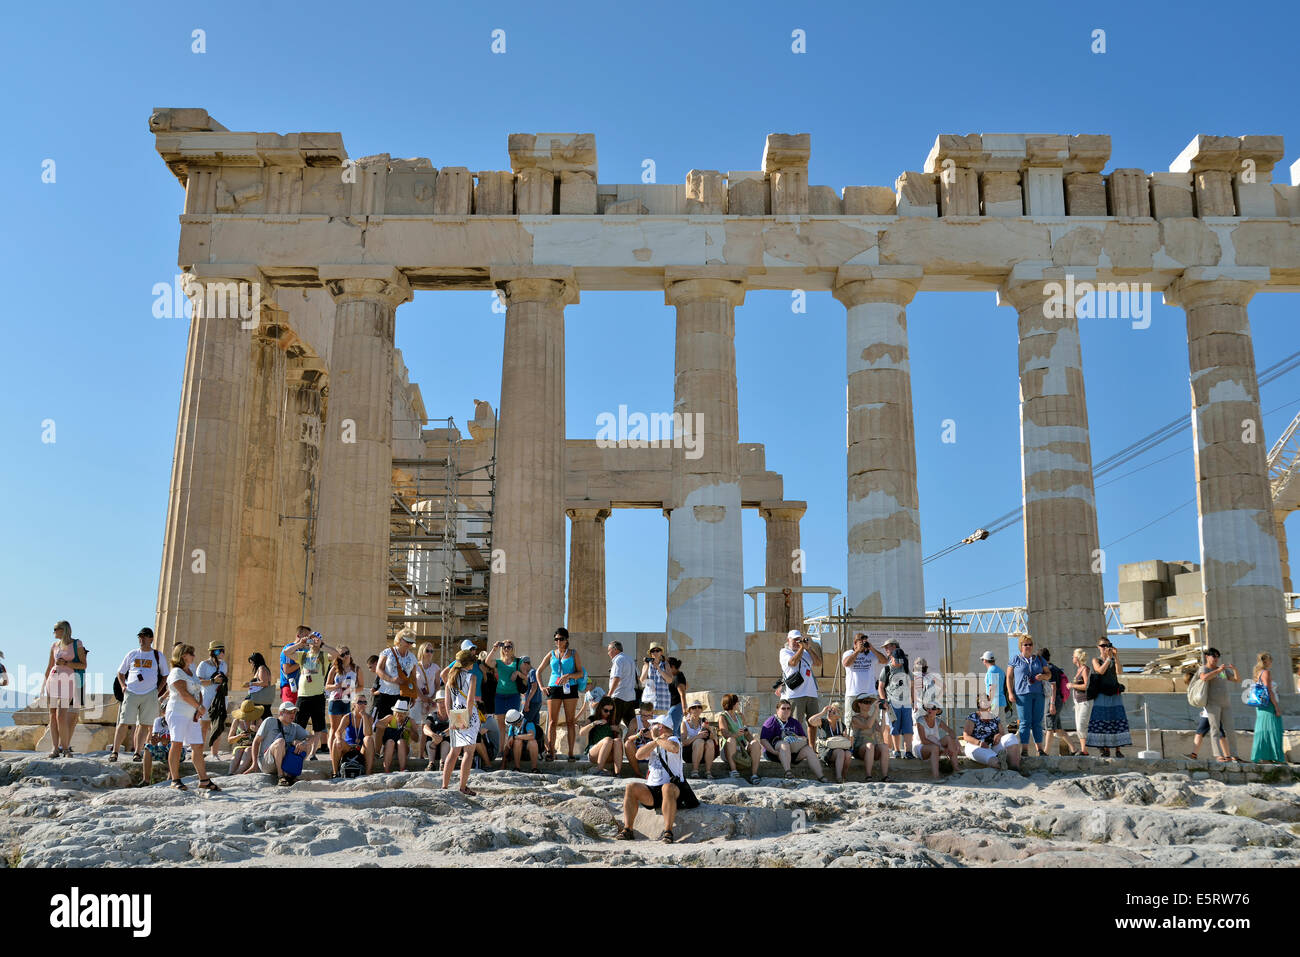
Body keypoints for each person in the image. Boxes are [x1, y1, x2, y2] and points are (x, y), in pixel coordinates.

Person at [615, 715, 697, 844]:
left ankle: (668, 831)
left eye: (653, 725)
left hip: (673, 789)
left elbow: (673, 748)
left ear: (661, 727)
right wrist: (654, 740)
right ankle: (628, 829)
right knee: (631, 787)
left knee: (667, 787)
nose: (649, 727)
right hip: (652, 790)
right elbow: (638, 755)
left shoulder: (673, 739)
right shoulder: (653, 743)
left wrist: (656, 738)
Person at [164, 644, 219, 791]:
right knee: (176, 744)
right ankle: (175, 779)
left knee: (198, 745)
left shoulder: (191, 671)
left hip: (192, 713)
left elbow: (198, 690)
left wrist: (199, 707)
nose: (194, 656)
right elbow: (183, 693)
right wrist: (198, 707)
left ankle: (204, 780)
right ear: (183, 655)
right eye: (191, 653)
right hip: (178, 712)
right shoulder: (176, 672)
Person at [109, 627, 166, 763]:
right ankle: (115, 752)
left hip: (150, 693)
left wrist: (157, 691)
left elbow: (165, 675)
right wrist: (123, 686)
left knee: (144, 725)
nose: (142, 639)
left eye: (145, 636)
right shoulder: (132, 654)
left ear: (151, 638)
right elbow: (120, 672)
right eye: (140, 636)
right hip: (132, 692)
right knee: (123, 723)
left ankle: (137, 752)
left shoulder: (158, 655)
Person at [539, 627, 583, 762]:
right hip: (554, 687)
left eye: (561, 639)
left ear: (566, 640)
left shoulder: (574, 653)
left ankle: (571, 753)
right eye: (556, 639)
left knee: (570, 721)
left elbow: (580, 673)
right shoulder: (551, 653)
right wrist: (541, 687)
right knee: (552, 721)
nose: (558, 641)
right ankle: (551, 752)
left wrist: (569, 676)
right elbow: (538, 671)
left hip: (570, 687)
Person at [248, 700, 316, 787]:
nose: (293, 715)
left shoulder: (295, 726)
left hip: (284, 761)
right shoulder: (270, 721)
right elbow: (256, 741)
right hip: (267, 762)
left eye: (294, 712)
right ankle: (281, 776)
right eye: (289, 712)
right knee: (280, 742)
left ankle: (291, 775)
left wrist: (304, 742)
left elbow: (312, 737)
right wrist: (254, 763)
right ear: (280, 713)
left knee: (306, 745)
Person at [43, 621, 86, 757]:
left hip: (69, 680)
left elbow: (83, 665)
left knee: (61, 715)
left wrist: (66, 663)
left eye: (56, 629)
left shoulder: (77, 644)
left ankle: (65, 748)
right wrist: (44, 684)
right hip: (53, 679)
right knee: (52, 715)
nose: (54, 631)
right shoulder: (54, 645)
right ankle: (55, 748)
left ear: (64, 629)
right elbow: (50, 666)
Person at [289, 630, 337, 750]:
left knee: (318, 727)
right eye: (311, 639)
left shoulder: (324, 656)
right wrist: (300, 644)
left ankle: (313, 752)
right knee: (298, 725)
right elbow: (286, 652)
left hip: (317, 695)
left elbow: (336, 654)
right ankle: (298, 748)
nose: (313, 641)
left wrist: (322, 645)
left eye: (315, 639)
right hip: (303, 695)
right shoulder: (303, 655)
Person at [442, 648, 481, 794]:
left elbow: (447, 702)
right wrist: (468, 717)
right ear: (469, 664)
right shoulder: (471, 677)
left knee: (454, 752)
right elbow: (470, 700)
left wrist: (452, 718)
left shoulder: (450, 678)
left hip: (455, 714)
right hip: (468, 714)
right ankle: (462, 786)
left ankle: (444, 785)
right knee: (468, 752)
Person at [1006, 635, 1051, 756]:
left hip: (1038, 693)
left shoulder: (1040, 659)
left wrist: (1042, 676)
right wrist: (1010, 693)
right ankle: (1024, 749)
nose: (1028, 647)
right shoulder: (1015, 659)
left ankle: (1040, 749)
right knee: (1025, 722)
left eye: (1030, 644)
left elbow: (1049, 674)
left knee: (1037, 722)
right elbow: (1009, 677)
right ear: (1021, 646)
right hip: (1022, 694)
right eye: (1025, 644)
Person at [1086, 638, 1131, 757]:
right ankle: (1105, 749)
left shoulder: (1112, 659)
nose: (1105, 647)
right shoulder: (1096, 660)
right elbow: (1100, 670)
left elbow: (1119, 672)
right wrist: (1108, 659)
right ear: (1098, 647)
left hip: (1114, 693)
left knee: (1116, 720)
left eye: (1107, 645)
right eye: (1102, 646)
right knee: (1102, 720)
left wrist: (1116, 657)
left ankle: (1118, 750)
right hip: (1102, 693)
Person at [760, 700, 824, 781]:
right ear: (777, 710)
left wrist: (797, 737)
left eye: (788, 708)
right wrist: (774, 752)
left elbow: (804, 738)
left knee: (809, 749)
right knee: (784, 744)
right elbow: (763, 740)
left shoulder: (794, 722)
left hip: (793, 752)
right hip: (774, 753)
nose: (786, 711)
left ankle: (821, 776)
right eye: (783, 708)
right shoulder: (771, 721)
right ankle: (788, 772)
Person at [777, 629, 821, 747]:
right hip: (795, 694)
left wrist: (809, 648)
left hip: (811, 692)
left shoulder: (806, 652)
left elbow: (817, 663)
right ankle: (796, 747)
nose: (797, 642)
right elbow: (792, 663)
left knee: (813, 722)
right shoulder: (784, 652)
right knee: (796, 722)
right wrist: (801, 648)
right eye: (795, 640)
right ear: (788, 640)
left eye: (799, 639)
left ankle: (812, 747)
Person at [1198, 646, 1241, 763]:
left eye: (1218, 657)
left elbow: (1236, 680)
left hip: (1225, 703)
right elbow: (1204, 678)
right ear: (1207, 657)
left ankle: (1234, 755)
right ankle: (1218, 755)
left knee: (1230, 729)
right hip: (1212, 703)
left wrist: (1235, 670)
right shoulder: (1204, 668)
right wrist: (1217, 671)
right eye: (1214, 656)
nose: (1216, 659)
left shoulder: (1222, 670)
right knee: (1215, 729)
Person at [961, 694, 1022, 771]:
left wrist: (999, 736)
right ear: (978, 704)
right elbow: (966, 736)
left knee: (1011, 737)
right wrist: (979, 743)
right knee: (989, 754)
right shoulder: (973, 717)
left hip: (993, 745)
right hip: (975, 745)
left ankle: (1015, 768)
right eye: (982, 701)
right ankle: (1000, 764)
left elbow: (1002, 733)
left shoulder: (995, 717)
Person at [878, 639, 913, 759]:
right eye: (896, 660)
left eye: (900, 660)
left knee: (908, 727)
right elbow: (881, 687)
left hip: (906, 702)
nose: (898, 662)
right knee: (894, 727)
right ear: (892, 658)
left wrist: (913, 700)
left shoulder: (906, 667)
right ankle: (897, 750)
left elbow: (912, 685)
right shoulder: (886, 669)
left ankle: (908, 751)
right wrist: (884, 701)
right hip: (893, 702)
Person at [716, 694, 762, 784]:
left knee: (755, 743)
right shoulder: (723, 717)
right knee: (731, 740)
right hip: (728, 749)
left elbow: (747, 734)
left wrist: (752, 742)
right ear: (732, 704)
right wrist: (736, 735)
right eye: (737, 702)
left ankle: (754, 774)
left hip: (742, 748)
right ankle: (733, 771)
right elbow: (725, 734)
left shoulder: (740, 716)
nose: (739, 703)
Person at [1040, 648, 1077, 756]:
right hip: (1058, 700)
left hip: (1053, 700)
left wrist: (1051, 704)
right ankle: (1074, 749)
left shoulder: (1050, 669)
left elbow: (1053, 686)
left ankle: (1045, 753)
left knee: (1049, 727)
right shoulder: (1055, 668)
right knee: (1058, 729)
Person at [375, 629, 419, 720]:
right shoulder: (387, 652)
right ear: (400, 639)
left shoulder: (412, 657)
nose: (409, 644)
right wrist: (391, 679)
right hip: (386, 693)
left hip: (404, 694)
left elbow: (413, 678)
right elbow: (378, 669)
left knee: (400, 723)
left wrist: (413, 695)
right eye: (407, 641)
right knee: (384, 721)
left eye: (411, 642)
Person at [1250, 652, 1285, 763]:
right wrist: (1276, 707)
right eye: (1270, 660)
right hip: (1268, 705)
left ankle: (1266, 758)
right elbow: (1269, 691)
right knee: (1274, 730)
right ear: (1266, 661)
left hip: (1261, 706)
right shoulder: (1266, 672)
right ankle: (1274, 757)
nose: (1271, 662)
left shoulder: (1258, 673)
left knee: (1264, 730)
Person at [841, 632, 887, 717]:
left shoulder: (871, 654)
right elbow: (846, 663)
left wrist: (872, 649)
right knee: (851, 721)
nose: (863, 643)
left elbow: (884, 661)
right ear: (855, 643)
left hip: (870, 694)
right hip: (853, 694)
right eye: (861, 641)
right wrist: (857, 651)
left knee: (872, 722)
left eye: (865, 641)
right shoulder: (848, 653)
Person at [332, 691, 375, 777]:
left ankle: (368, 772)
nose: (362, 704)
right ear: (354, 704)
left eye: (364, 702)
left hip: (362, 748)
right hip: (349, 747)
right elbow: (338, 731)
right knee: (335, 741)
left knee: (368, 739)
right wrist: (339, 739)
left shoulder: (369, 718)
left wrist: (364, 717)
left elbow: (368, 733)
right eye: (360, 702)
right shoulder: (348, 717)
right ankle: (335, 773)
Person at [578, 696, 625, 776]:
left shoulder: (613, 721)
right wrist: (594, 723)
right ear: (600, 708)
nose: (608, 713)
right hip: (594, 753)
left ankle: (617, 773)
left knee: (617, 741)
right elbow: (581, 733)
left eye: (611, 711)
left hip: (609, 755)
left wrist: (618, 731)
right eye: (606, 710)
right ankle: (599, 769)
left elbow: (619, 745)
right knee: (608, 740)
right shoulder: (593, 718)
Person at [197, 641, 228, 759]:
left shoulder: (224, 665)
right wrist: (213, 681)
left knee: (217, 726)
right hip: (207, 698)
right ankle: (198, 752)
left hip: (219, 698)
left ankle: (214, 753)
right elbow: (198, 681)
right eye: (221, 651)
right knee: (204, 727)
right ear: (215, 651)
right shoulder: (203, 664)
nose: (223, 653)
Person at [912, 703, 960, 780]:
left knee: (948, 738)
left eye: (933, 708)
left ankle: (956, 769)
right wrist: (942, 748)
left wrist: (956, 741)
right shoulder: (920, 720)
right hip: (920, 747)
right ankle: (936, 777)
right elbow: (923, 741)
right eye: (928, 708)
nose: (930, 710)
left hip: (935, 745)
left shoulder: (938, 721)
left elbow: (950, 731)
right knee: (935, 748)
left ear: (937, 711)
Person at [324, 647, 358, 754]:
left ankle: (342, 750)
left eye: (347, 652)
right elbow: (327, 686)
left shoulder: (355, 669)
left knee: (346, 728)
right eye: (342, 654)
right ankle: (332, 753)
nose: (346, 655)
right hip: (336, 700)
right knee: (334, 729)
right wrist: (336, 685)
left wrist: (352, 689)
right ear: (338, 656)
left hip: (348, 700)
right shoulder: (334, 668)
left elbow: (360, 686)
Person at [849, 693, 890, 782]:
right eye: (866, 702)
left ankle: (885, 776)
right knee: (870, 746)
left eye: (869, 702)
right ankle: (868, 776)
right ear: (859, 704)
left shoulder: (873, 718)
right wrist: (875, 710)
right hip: (859, 748)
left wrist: (883, 713)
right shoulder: (855, 719)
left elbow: (881, 730)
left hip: (871, 747)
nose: (868, 705)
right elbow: (867, 725)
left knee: (884, 746)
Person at [808, 701, 852, 784]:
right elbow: (810, 721)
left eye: (833, 712)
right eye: (830, 711)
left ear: (838, 716)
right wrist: (822, 712)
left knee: (848, 754)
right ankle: (838, 777)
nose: (830, 713)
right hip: (825, 749)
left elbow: (846, 740)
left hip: (838, 749)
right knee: (841, 752)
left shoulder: (841, 725)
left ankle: (844, 776)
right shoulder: (823, 722)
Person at [492, 639, 522, 745]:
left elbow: (526, 677)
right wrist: (494, 649)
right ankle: (501, 751)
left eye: (509, 646)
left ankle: (512, 749)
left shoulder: (518, 661)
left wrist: (518, 673)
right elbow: (486, 662)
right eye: (504, 647)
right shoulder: (498, 662)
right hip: (499, 696)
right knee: (501, 725)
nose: (506, 649)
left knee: (513, 724)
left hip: (513, 696)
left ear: (512, 648)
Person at [374, 699, 416, 772]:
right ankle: (386, 770)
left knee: (401, 741)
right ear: (394, 712)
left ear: (406, 713)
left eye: (401, 713)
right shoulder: (390, 717)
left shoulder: (411, 721)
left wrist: (409, 730)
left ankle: (402, 769)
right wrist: (387, 728)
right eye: (397, 712)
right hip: (390, 748)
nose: (399, 715)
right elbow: (377, 724)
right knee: (390, 741)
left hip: (404, 748)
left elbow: (416, 739)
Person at [679, 700, 716, 779]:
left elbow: (713, 739)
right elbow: (683, 742)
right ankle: (694, 770)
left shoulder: (704, 721)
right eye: (694, 707)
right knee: (699, 741)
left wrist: (709, 729)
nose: (697, 709)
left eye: (699, 707)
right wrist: (697, 736)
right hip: (689, 753)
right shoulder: (684, 723)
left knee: (710, 742)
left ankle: (708, 771)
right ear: (690, 710)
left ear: (701, 710)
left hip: (704, 752)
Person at [607, 640, 638, 730]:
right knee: (631, 724)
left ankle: (615, 743)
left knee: (613, 724)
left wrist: (609, 694)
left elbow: (616, 678)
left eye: (609, 650)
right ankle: (628, 742)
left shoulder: (618, 660)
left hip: (618, 696)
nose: (608, 653)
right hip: (630, 697)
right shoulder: (631, 659)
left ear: (615, 649)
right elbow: (638, 676)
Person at [226, 699, 260, 775]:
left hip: (254, 747)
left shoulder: (257, 720)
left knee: (248, 750)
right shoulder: (237, 721)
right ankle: (230, 773)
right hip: (240, 746)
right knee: (239, 751)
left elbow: (264, 737)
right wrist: (239, 736)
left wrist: (257, 730)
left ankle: (237, 773)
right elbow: (229, 740)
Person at [1069, 648, 1093, 756]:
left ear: (1077, 658)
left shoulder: (1085, 669)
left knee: (1081, 725)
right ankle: (1084, 749)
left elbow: (1086, 685)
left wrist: (1072, 685)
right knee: (1078, 725)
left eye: (1073, 656)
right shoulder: (1078, 670)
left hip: (1085, 701)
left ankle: (1084, 750)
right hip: (1077, 702)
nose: (1072, 658)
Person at [623, 700, 656, 777]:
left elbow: (666, 738)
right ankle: (638, 773)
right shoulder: (635, 721)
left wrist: (652, 736)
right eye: (643, 715)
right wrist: (637, 735)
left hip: (652, 750)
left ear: (652, 713)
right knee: (628, 744)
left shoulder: (657, 720)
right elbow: (626, 739)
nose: (646, 718)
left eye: (648, 716)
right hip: (638, 752)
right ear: (640, 712)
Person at [242, 652, 275, 722]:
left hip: (259, 699)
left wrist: (250, 683)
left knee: (246, 711)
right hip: (262, 699)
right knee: (265, 718)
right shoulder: (263, 668)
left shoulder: (261, 668)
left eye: (252, 663)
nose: (252, 665)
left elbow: (264, 683)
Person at [641, 644, 671, 713]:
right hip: (649, 699)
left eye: (657, 650)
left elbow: (669, 680)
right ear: (650, 654)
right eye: (653, 651)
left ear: (661, 652)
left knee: (661, 722)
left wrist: (658, 668)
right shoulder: (647, 665)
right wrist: (646, 665)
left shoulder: (665, 665)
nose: (655, 653)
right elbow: (642, 680)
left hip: (663, 699)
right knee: (649, 721)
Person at [140, 716, 169, 787]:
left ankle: (171, 778)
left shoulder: (178, 719)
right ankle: (146, 780)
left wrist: (165, 741)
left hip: (177, 751)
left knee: (173, 746)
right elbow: (154, 737)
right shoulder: (158, 720)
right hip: (162, 749)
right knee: (148, 747)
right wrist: (154, 741)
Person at [664, 658, 690, 734]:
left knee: (671, 731)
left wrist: (684, 708)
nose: (666, 669)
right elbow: (687, 686)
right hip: (674, 707)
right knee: (676, 732)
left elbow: (682, 693)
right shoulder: (675, 677)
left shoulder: (678, 676)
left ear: (672, 667)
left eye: (667, 667)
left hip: (677, 707)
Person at [424, 698, 451, 770]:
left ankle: (443, 763)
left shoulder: (452, 715)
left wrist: (441, 735)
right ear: (436, 704)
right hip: (433, 745)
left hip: (447, 748)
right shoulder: (432, 715)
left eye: (444, 701)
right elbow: (425, 727)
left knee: (445, 742)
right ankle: (431, 764)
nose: (442, 704)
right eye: (440, 702)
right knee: (429, 741)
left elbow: (454, 727)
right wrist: (433, 735)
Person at [982, 651, 1008, 719]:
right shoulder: (999, 670)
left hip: (995, 703)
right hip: (1000, 701)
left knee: (995, 725)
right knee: (1001, 724)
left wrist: (989, 703)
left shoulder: (992, 670)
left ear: (985, 660)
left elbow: (992, 688)